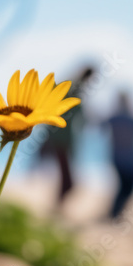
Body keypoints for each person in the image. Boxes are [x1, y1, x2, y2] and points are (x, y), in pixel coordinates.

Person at [39, 66, 94, 208]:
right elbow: (54, 112)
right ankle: (57, 208)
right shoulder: (73, 90)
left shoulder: (70, 87)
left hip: (63, 138)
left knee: (67, 179)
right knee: (68, 180)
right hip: (60, 139)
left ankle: (57, 207)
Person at [102, 91, 133, 220]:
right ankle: (115, 213)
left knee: (123, 187)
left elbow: (100, 127)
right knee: (128, 188)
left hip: (116, 158)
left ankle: (115, 212)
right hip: (130, 159)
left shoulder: (113, 118)